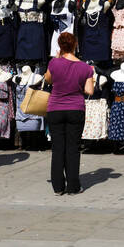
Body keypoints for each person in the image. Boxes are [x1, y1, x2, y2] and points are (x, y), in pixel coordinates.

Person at [43, 31, 95, 195]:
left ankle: (58, 187)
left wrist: (57, 60)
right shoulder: (85, 68)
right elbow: (89, 90)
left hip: (55, 109)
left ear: (60, 46)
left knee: (58, 147)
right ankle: (73, 186)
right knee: (73, 148)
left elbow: (48, 80)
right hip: (75, 109)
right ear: (75, 45)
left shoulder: (54, 63)